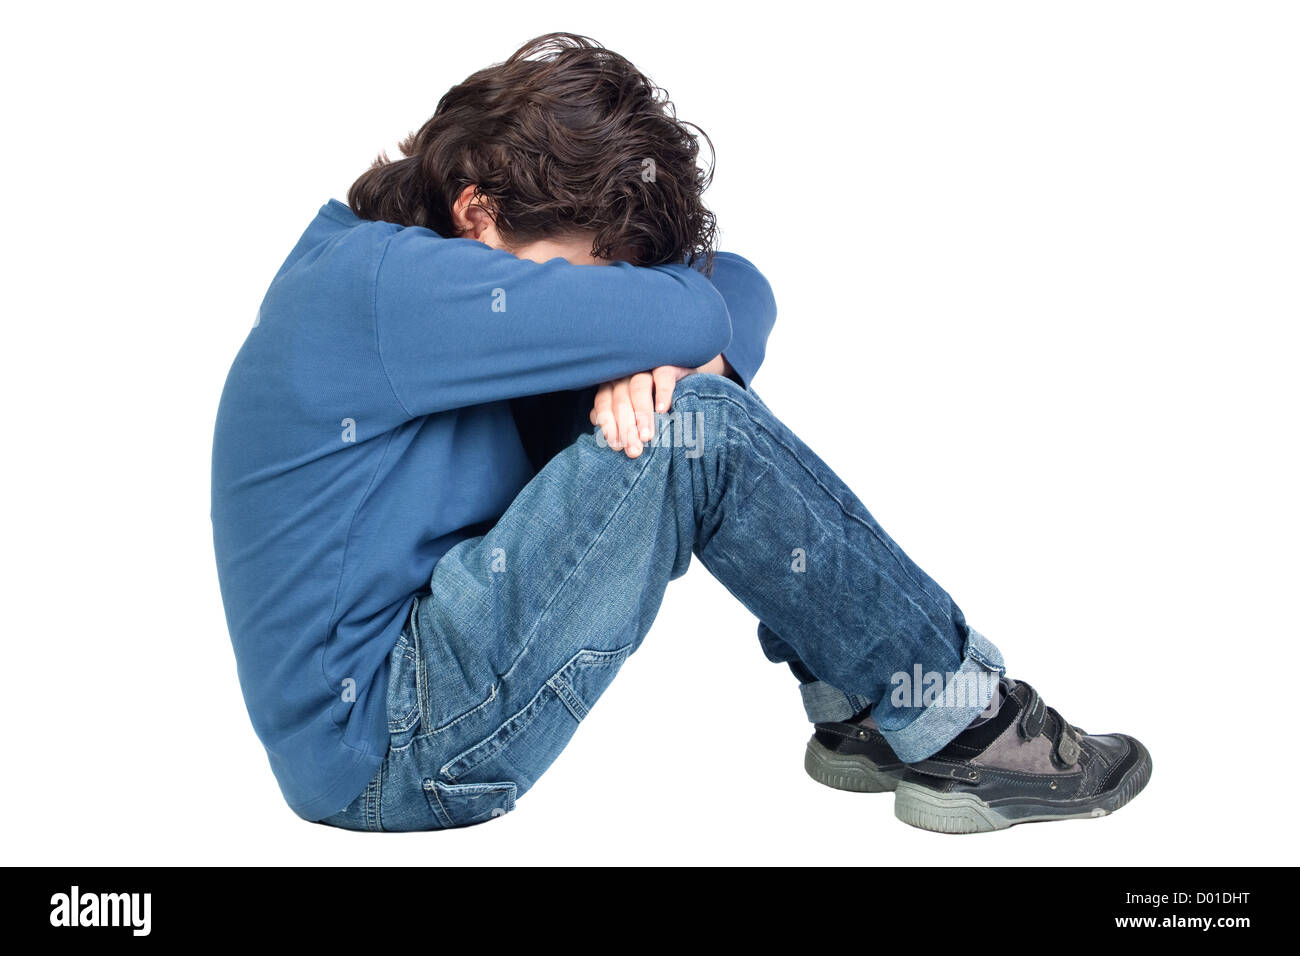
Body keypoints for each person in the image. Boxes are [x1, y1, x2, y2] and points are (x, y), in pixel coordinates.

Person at [211, 32, 1150, 834]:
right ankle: (964, 723)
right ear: (476, 216)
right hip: (391, 746)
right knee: (697, 428)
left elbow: (732, 280)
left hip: (415, 706)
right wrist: (674, 346)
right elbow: (695, 314)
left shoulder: (443, 280)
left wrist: (650, 355)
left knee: (688, 408)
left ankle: (868, 701)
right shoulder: (378, 286)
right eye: (598, 279)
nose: (614, 304)